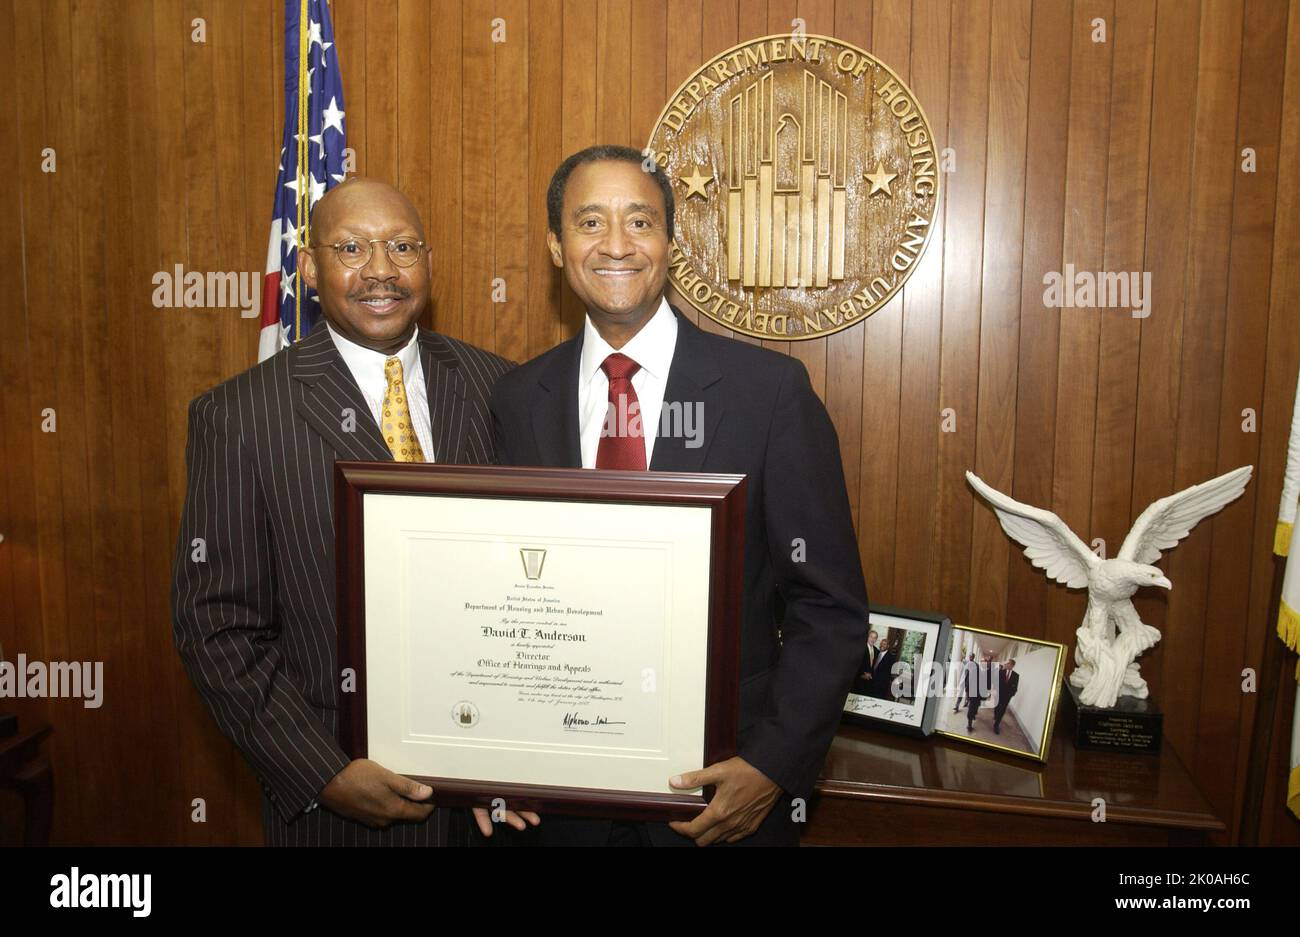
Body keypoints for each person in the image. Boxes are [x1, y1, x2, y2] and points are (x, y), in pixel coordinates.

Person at [490, 145, 869, 846]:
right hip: (557, 808)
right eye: (589, 223)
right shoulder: (517, 399)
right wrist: (485, 759)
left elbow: (830, 609)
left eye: (640, 222)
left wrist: (773, 766)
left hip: (719, 801)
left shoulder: (769, 394)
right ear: (555, 246)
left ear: (670, 242)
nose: (616, 246)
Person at [171, 178, 533, 845]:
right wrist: (324, 772)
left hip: (499, 803)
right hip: (342, 808)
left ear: (428, 262)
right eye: (350, 247)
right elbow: (215, 625)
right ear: (308, 268)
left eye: (402, 246)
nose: (381, 270)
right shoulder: (241, 416)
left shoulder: (502, 388)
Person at [993, 659, 1020, 734]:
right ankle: (996, 716)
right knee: (997, 707)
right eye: (1007, 663)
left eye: (1008, 663)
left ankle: (996, 724)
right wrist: (994, 691)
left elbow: (1015, 687)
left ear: (1012, 665)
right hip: (998, 694)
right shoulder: (1001, 672)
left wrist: (1011, 695)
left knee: (1002, 710)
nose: (1006, 664)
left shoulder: (1016, 675)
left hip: (1006, 697)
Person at [852, 629, 880, 696]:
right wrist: (862, 674)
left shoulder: (876, 651)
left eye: (874, 638)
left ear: (876, 639)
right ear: (867, 637)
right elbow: (855, 662)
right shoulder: (861, 647)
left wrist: (871, 675)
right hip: (859, 679)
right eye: (871, 637)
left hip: (869, 681)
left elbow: (874, 666)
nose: (872, 639)